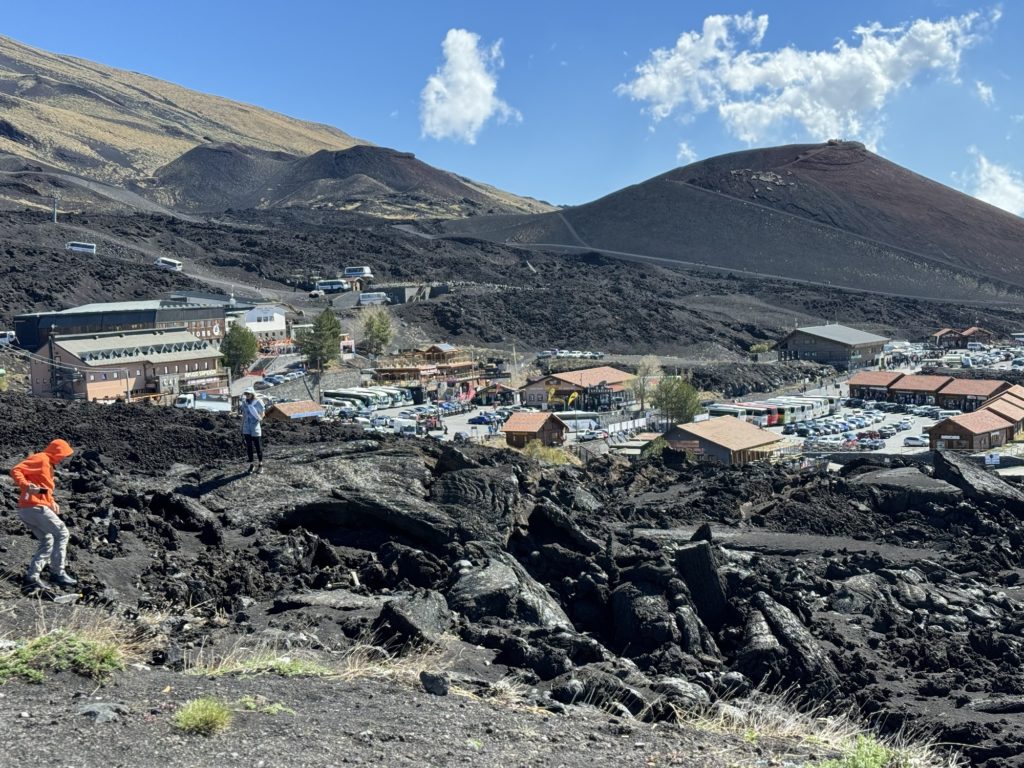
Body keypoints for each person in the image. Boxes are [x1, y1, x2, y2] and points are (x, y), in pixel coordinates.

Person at [9, 439, 76, 592]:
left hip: (27, 509)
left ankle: (32, 576)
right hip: (34, 507)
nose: (63, 458)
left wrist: (51, 501)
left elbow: (43, 488)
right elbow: (15, 470)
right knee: (62, 533)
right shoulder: (40, 458)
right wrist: (26, 486)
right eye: (62, 454)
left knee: (48, 539)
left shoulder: (49, 465)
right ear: (56, 452)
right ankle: (58, 573)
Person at [240, 387, 266, 474]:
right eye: (246, 394)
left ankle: (260, 465)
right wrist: (242, 426)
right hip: (247, 427)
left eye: (248, 394)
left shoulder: (258, 402)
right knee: (249, 447)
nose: (247, 395)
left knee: (258, 446)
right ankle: (251, 464)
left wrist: (260, 418)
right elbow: (244, 415)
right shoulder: (244, 403)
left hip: (255, 426)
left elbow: (262, 413)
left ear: (252, 394)